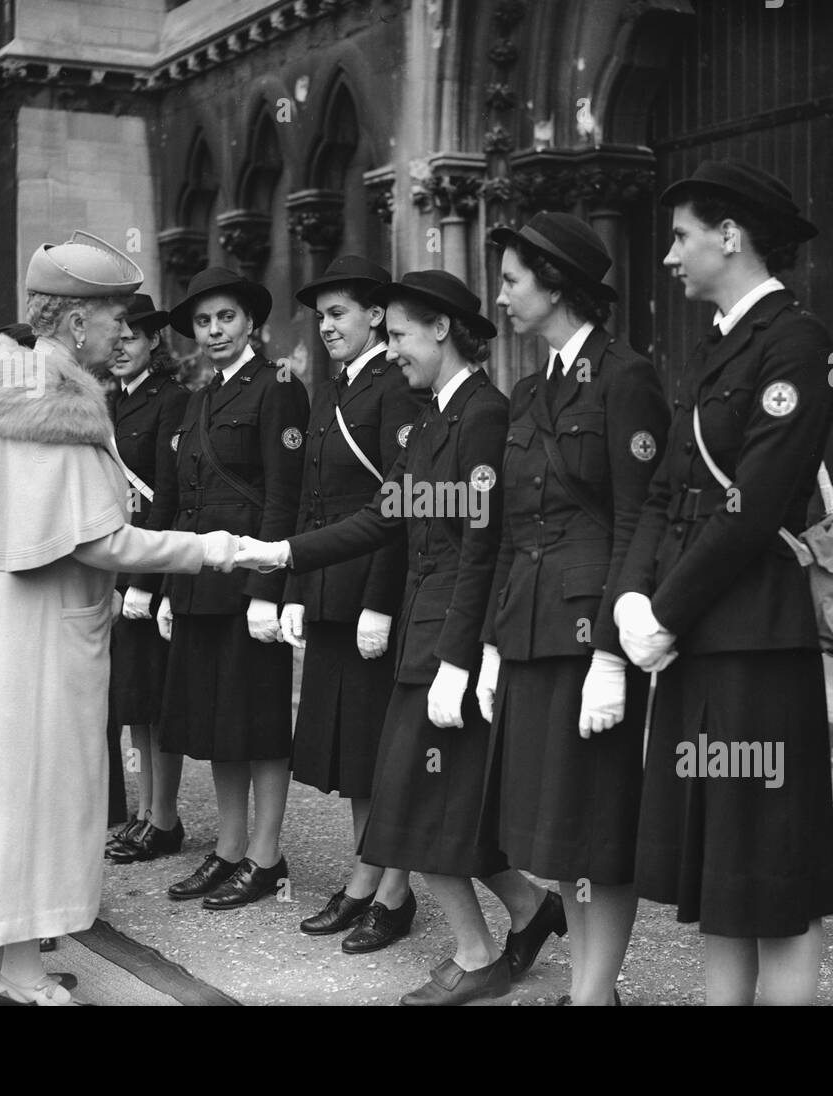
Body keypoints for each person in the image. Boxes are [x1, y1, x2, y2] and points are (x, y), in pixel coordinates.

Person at [0, 232, 238, 1006]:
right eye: (115, 314)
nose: (125, 330)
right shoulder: (50, 402)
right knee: (30, 791)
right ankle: (22, 972)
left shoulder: (23, 388)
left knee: (0, 788)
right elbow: (103, 539)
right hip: (29, 628)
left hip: (7, 617)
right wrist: (225, 548)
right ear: (75, 319)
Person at [236, 271, 560, 1006]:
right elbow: (387, 516)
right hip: (425, 627)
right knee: (429, 801)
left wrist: (460, 657)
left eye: (403, 335)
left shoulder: (481, 414)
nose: (395, 351)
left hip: (446, 636)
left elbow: (483, 547)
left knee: (408, 805)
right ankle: (529, 910)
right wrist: (286, 555)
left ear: (442, 330)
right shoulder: (437, 415)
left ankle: (478, 954)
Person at [612, 160, 833, 1005]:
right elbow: (669, 491)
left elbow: (753, 507)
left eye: (680, 236)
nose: (670, 256)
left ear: (729, 236)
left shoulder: (795, 342)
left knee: (770, 870)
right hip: (703, 638)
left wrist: (663, 613)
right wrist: (632, 601)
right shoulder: (716, 347)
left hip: (754, 642)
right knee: (720, 866)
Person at [478, 211, 670, 1006]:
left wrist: (611, 657)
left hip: (590, 636)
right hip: (528, 631)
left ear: (555, 284)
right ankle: (598, 992)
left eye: (514, 280)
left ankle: (593, 996)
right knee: (558, 831)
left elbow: (641, 518)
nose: (500, 296)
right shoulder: (530, 388)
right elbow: (509, 526)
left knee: (597, 829)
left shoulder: (627, 377)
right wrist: (491, 642)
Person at [153, 266, 309, 910]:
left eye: (226, 318)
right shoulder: (198, 397)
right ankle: (229, 848)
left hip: (249, 582)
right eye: (203, 321)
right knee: (218, 724)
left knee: (260, 719)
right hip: (199, 585)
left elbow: (283, 495)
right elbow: (182, 500)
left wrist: (267, 589)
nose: (214, 331)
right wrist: (167, 587)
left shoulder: (280, 387)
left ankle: (266, 856)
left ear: (251, 323)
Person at [283, 256, 423, 952]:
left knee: (380, 752)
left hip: (375, 597)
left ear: (375, 316)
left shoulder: (395, 385)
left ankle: (392, 889)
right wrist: (296, 592)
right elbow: (314, 502)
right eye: (322, 314)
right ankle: (367, 874)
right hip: (332, 596)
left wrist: (378, 602)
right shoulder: (335, 387)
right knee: (354, 754)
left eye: (338, 312)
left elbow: (396, 502)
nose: (326, 324)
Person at [103, 294, 192, 864]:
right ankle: (142, 810)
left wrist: (145, 580)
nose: (119, 348)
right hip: (116, 561)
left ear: (154, 340)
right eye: (114, 338)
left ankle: (165, 817)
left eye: (130, 337)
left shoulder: (173, 399)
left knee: (157, 699)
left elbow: (168, 494)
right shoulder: (110, 401)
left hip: (147, 567)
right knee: (132, 696)